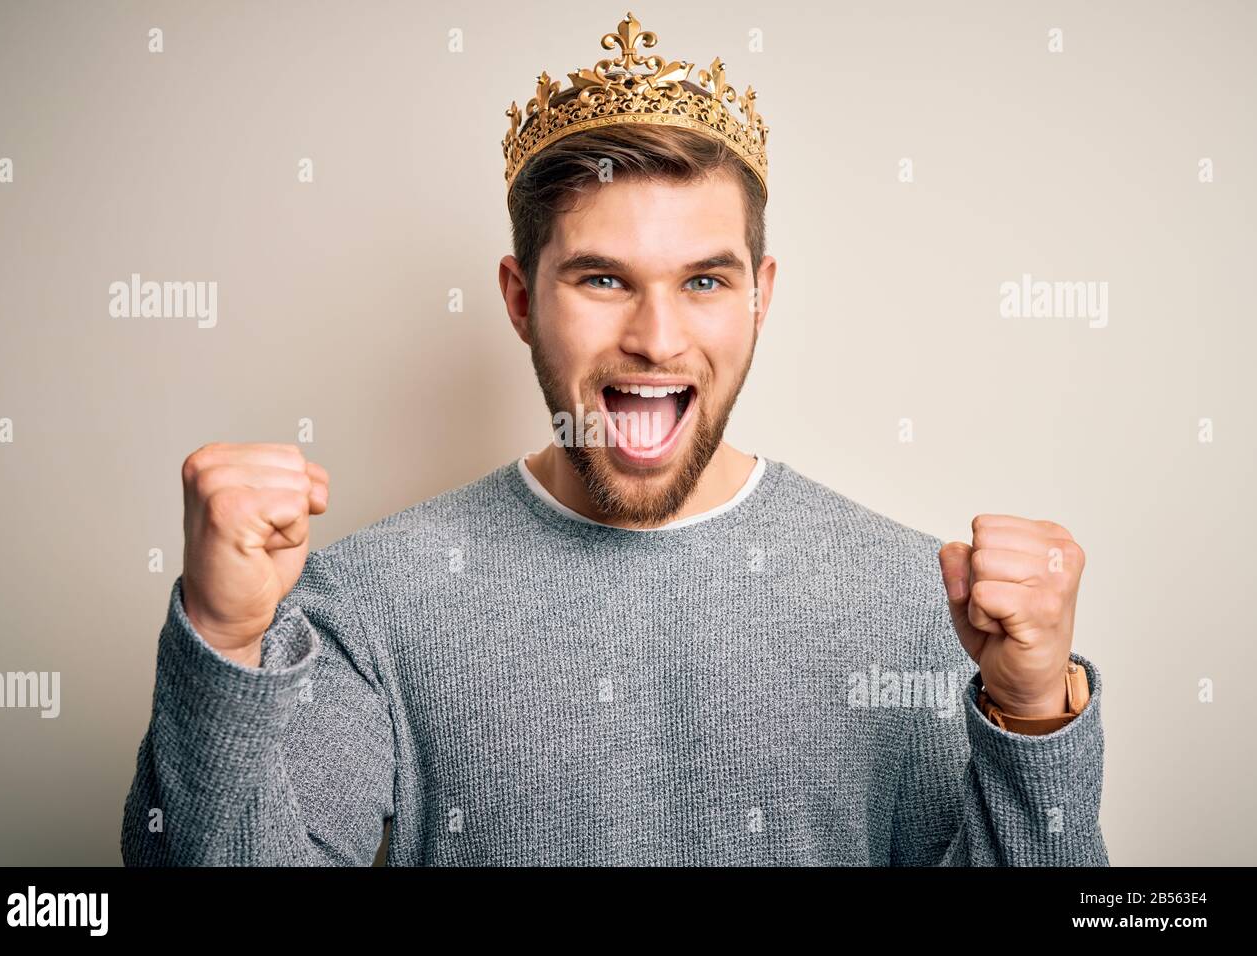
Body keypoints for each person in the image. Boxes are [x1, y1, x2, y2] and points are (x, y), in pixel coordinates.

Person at [121, 12, 1108, 866]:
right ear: (519, 299)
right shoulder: (373, 600)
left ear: (761, 300)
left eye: (705, 280)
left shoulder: (920, 603)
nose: (656, 335)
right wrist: (220, 639)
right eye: (602, 278)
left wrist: (1030, 715)